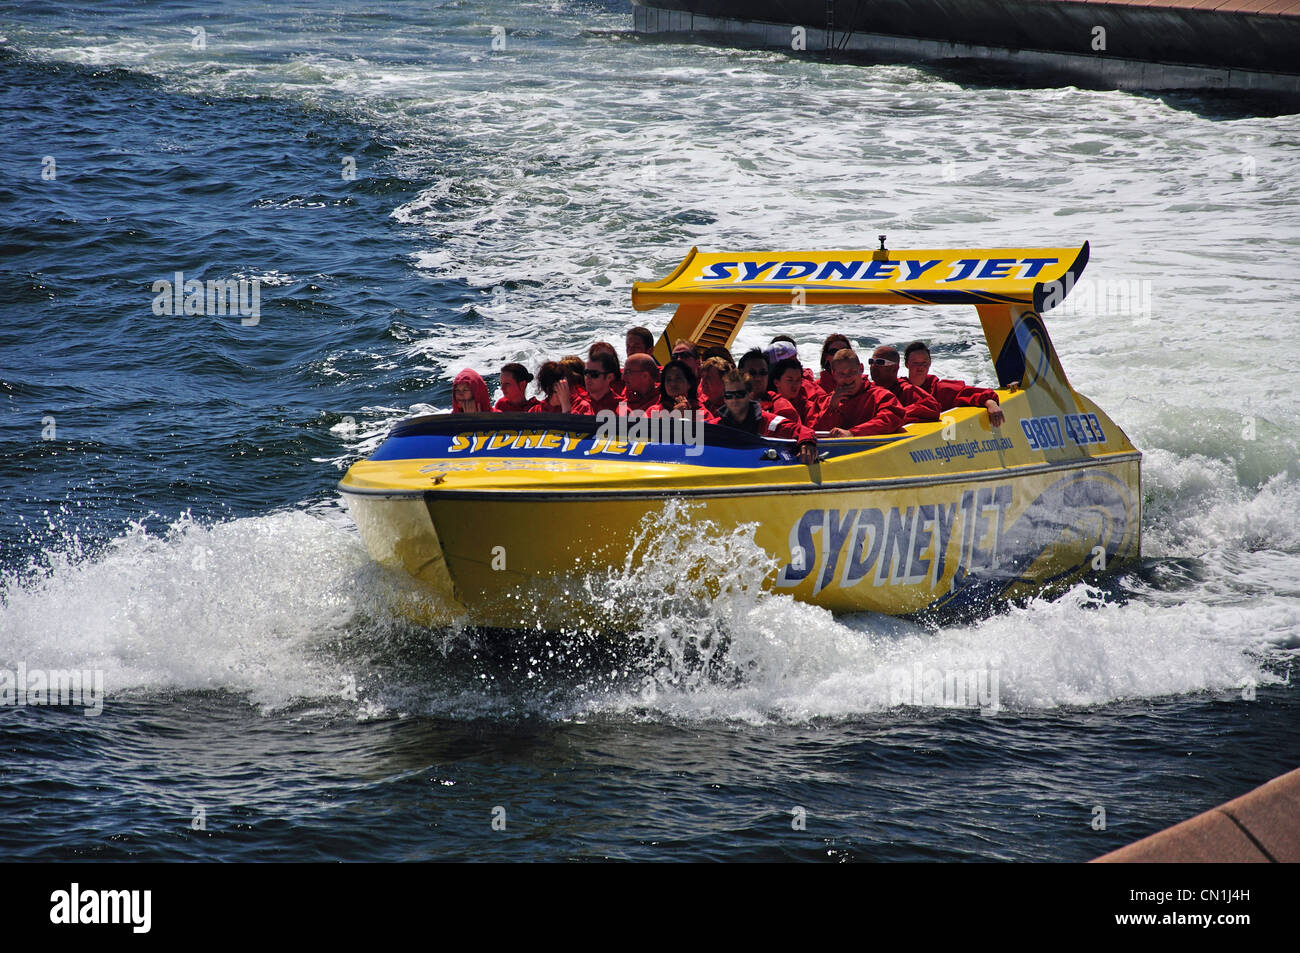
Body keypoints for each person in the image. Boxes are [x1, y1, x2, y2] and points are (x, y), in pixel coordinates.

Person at [717, 368, 818, 465]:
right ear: (724, 398)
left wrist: (807, 443)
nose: (734, 400)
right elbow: (700, 438)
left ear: (750, 395)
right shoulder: (715, 425)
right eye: (729, 395)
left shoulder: (769, 423)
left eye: (740, 394)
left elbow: (802, 430)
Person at [903, 341, 1006, 427]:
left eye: (924, 362)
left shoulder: (940, 389)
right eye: (915, 363)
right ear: (907, 364)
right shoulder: (897, 388)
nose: (920, 367)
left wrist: (991, 404)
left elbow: (970, 393)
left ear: (930, 363)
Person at [812, 348, 904, 437]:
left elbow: (892, 418)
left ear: (861, 368)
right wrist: (832, 408)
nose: (848, 378)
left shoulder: (881, 395)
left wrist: (853, 433)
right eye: (841, 374)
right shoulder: (824, 402)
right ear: (834, 374)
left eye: (852, 371)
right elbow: (814, 432)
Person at [867, 346, 941, 425]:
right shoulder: (866, 390)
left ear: (895, 368)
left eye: (880, 362)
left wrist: (895, 414)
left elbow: (932, 407)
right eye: (871, 361)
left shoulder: (906, 390)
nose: (873, 366)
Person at [770, 357, 827, 427]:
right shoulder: (766, 405)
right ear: (776, 382)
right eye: (790, 380)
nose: (795, 385)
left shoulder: (809, 407)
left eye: (798, 380)